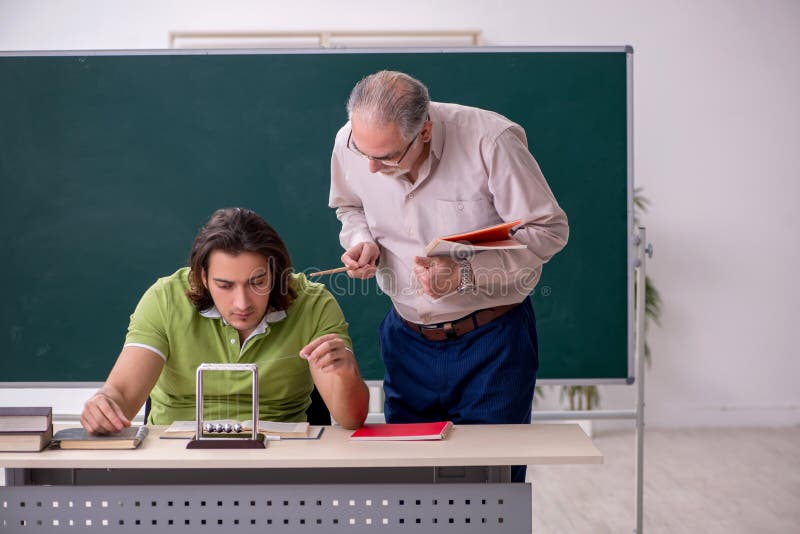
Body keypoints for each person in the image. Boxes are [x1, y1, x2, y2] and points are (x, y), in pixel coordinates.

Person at [329, 71, 569, 481]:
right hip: (406, 340)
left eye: (385, 157)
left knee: (492, 485)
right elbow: (349, 206)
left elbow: (547, 231)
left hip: (491, 342)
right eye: (361, 149)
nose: (369, 166)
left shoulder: (489, 140)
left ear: (424, 132)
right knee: (410, 483)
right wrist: (362, 238)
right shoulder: (353, 140)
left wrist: (464, 274)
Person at [81, 207, 369, 434]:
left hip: (280, 463)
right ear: (202, 278)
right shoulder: (165, 299)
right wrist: (104, 404)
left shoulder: (313, 304)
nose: (242, 303)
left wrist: (346, 374)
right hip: (175, 461)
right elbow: (120, 395)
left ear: (277, 273)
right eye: (225, 285)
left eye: (257, 282)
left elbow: (351, 419)